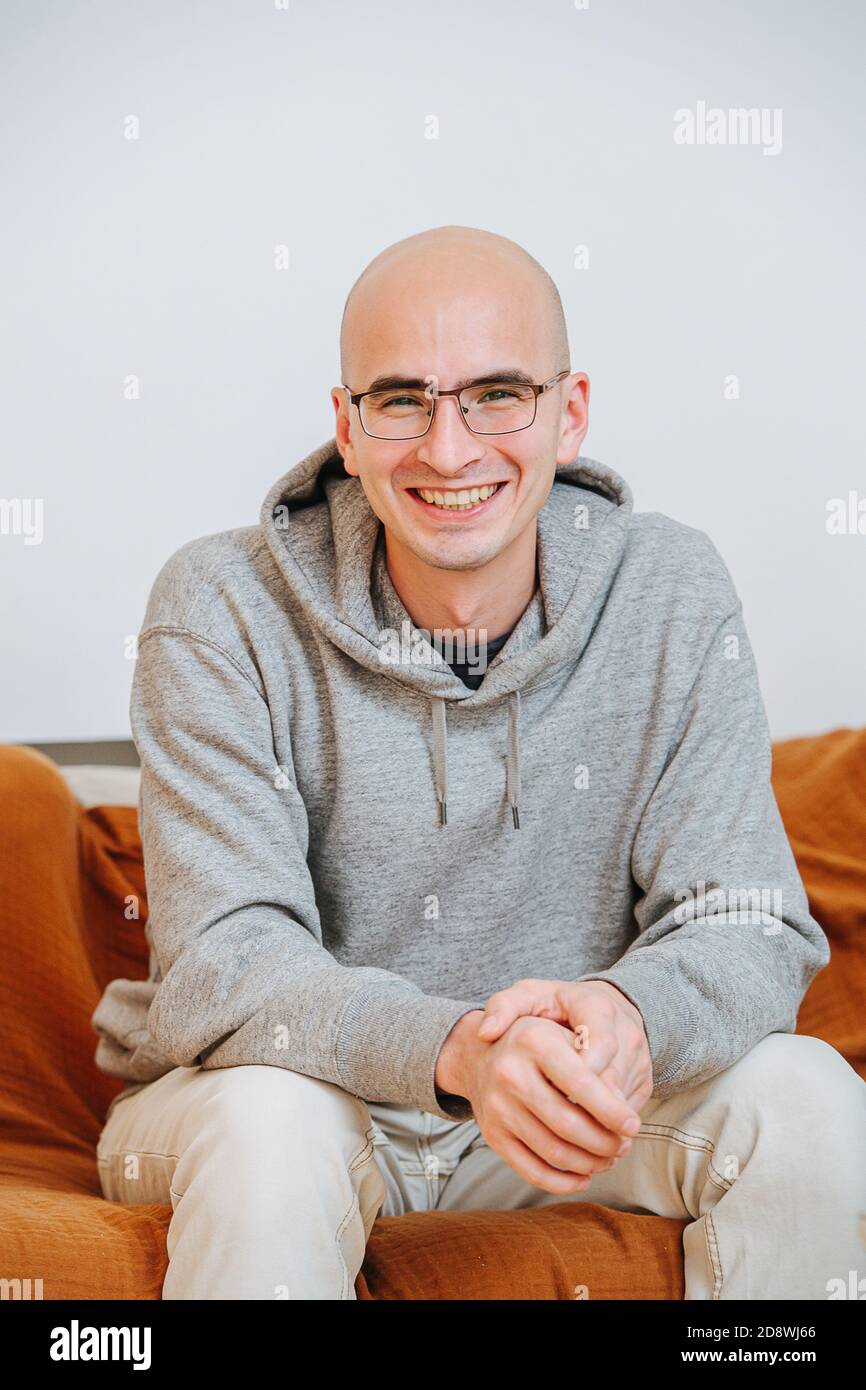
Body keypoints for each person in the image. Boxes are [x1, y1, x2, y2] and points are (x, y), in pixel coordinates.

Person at [91, 224, 866, 1300]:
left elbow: (743, 915)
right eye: (400, 400)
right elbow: (228, 963)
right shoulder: (218, 605)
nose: (448, 450)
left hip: (559, 1107)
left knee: (809, 1096)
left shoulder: (670, 590)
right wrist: (458, 1051)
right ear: (347, 429)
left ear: (569, 410)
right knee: (274, 1124)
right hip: (290, 1096)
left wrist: (632, 1018)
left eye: (495, 394)